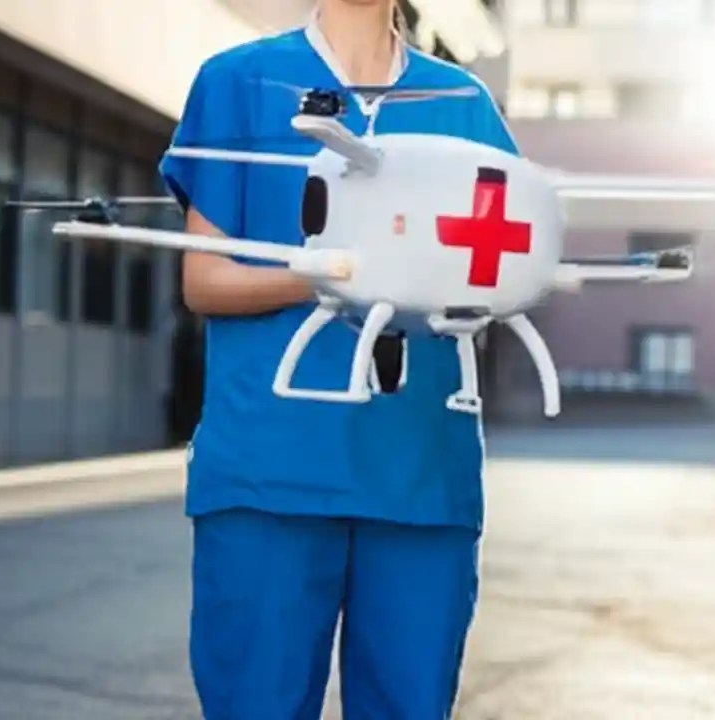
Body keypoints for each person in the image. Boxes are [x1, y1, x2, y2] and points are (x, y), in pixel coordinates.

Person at [159, 1, 518, 717]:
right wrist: (327, 272)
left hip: (419, 477)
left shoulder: (463, 104)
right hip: (268, 472)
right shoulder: (242, 82)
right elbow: (204, 281)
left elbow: (499, 280)